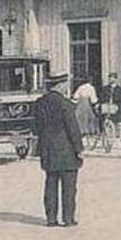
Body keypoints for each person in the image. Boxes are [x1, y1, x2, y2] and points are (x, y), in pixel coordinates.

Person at [33, 72, 83, 227]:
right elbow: (72, 128)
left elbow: (36, 127)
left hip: (48, 149)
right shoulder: (65, 103)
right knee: (69, 186)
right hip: (66, 150)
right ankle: (68, 219)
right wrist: (78, 148)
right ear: (60, 85)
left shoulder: (40, 103)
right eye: (65, 84)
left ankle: (51, 219)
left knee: (50, 184)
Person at [101, 71, 121, 149]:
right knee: (108, 126)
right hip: (108, 109)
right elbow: (102, 98)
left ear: (116, 79)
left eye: (113, 78)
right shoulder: (105, 89)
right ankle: (110, 142)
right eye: (110, 78)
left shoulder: (120, 89)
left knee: (120, 126)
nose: (111, 79)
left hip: (117, 109)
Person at [71, 77, 99, 143]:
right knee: (90, 118)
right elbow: (93, 99)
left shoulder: (80, 87)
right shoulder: (91, 88)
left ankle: (81, 132)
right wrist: (96, 104)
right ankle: (89, 132)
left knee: (79, 118)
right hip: (87, 104)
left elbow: (75, 97)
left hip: (80, 104)